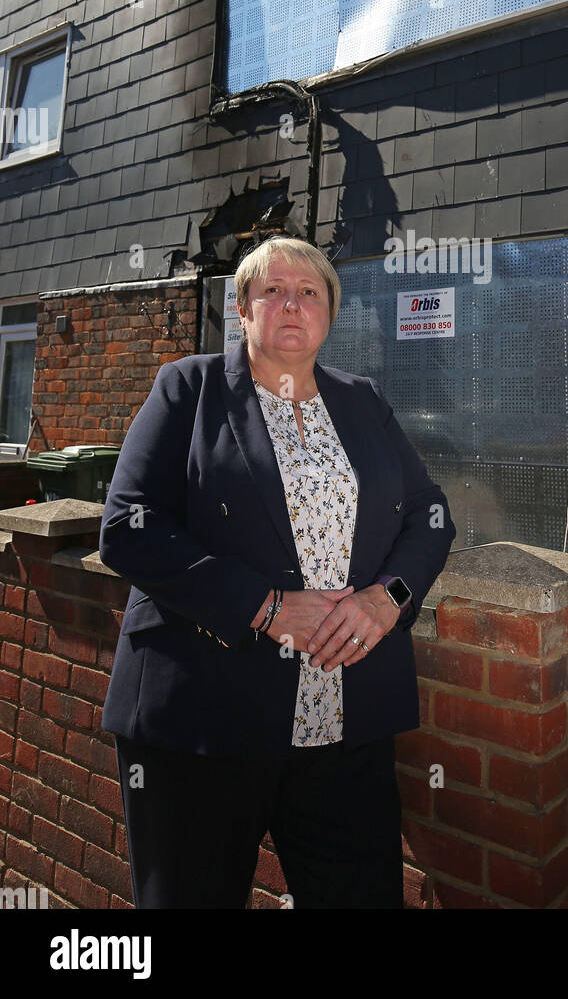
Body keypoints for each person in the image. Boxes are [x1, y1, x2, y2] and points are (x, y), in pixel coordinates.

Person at [99, 234, 456, 909]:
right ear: (243, 309)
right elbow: (127, 527)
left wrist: (390, 599)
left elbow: (430, 514)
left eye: (309, 292)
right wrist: (262, 605)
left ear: (329, 312)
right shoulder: (189, 388)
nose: (291, 304)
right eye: (273, 291)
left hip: (344, 727)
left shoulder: (364, 400)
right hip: (203, 725)